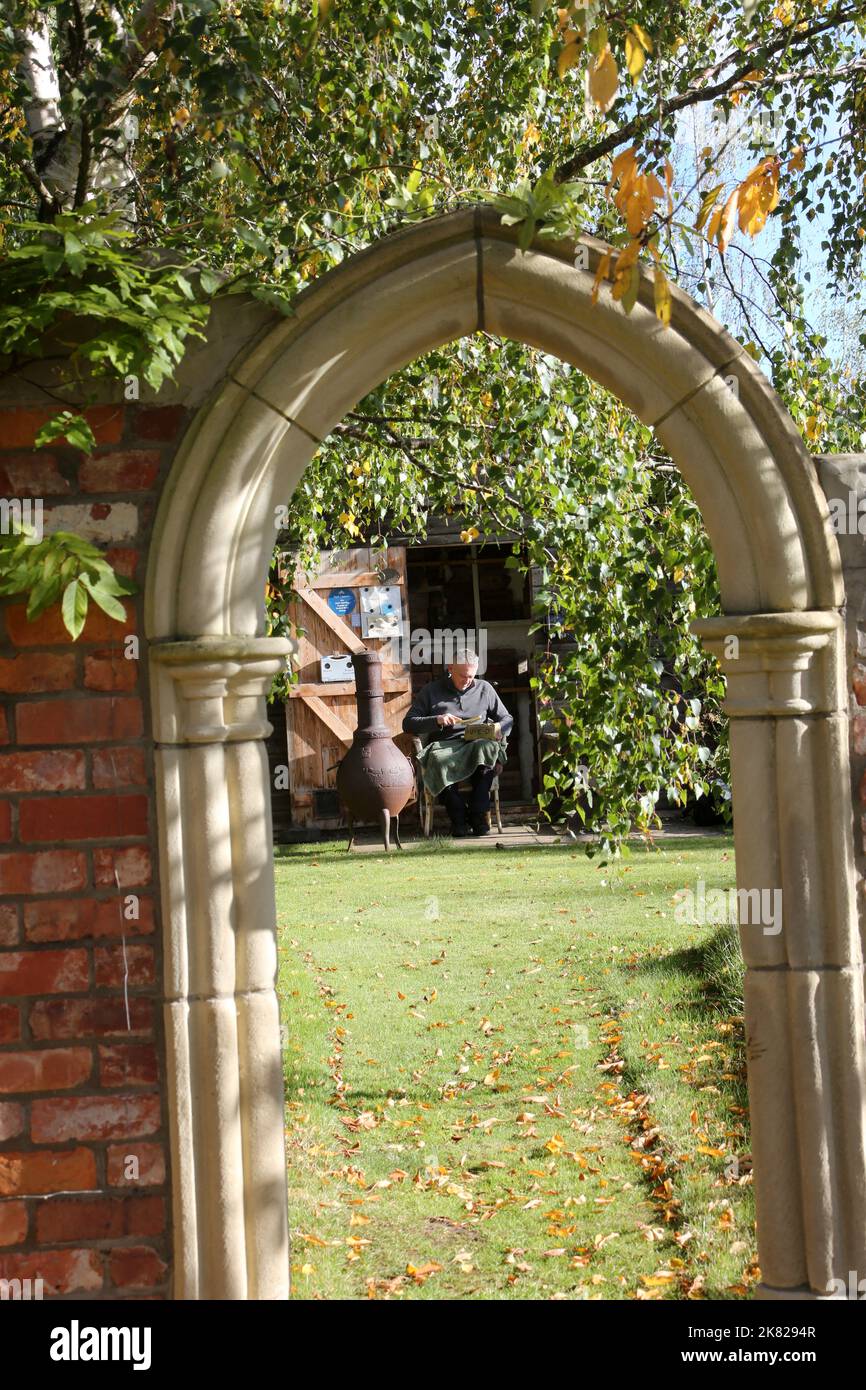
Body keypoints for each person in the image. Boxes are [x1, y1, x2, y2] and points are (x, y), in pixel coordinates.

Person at [402, 649, 513, 836]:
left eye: (471, 676)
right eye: (462, 676)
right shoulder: (432, 691)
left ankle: (478, 813)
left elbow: (507, 718)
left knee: (485, 749)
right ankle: (458, 816)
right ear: (450, 668)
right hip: (446, 745)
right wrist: (437, 720)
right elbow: (408, 723)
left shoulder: (484, 688)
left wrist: (498, 728)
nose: (467, 681)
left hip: (477, 742)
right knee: (438, 760)